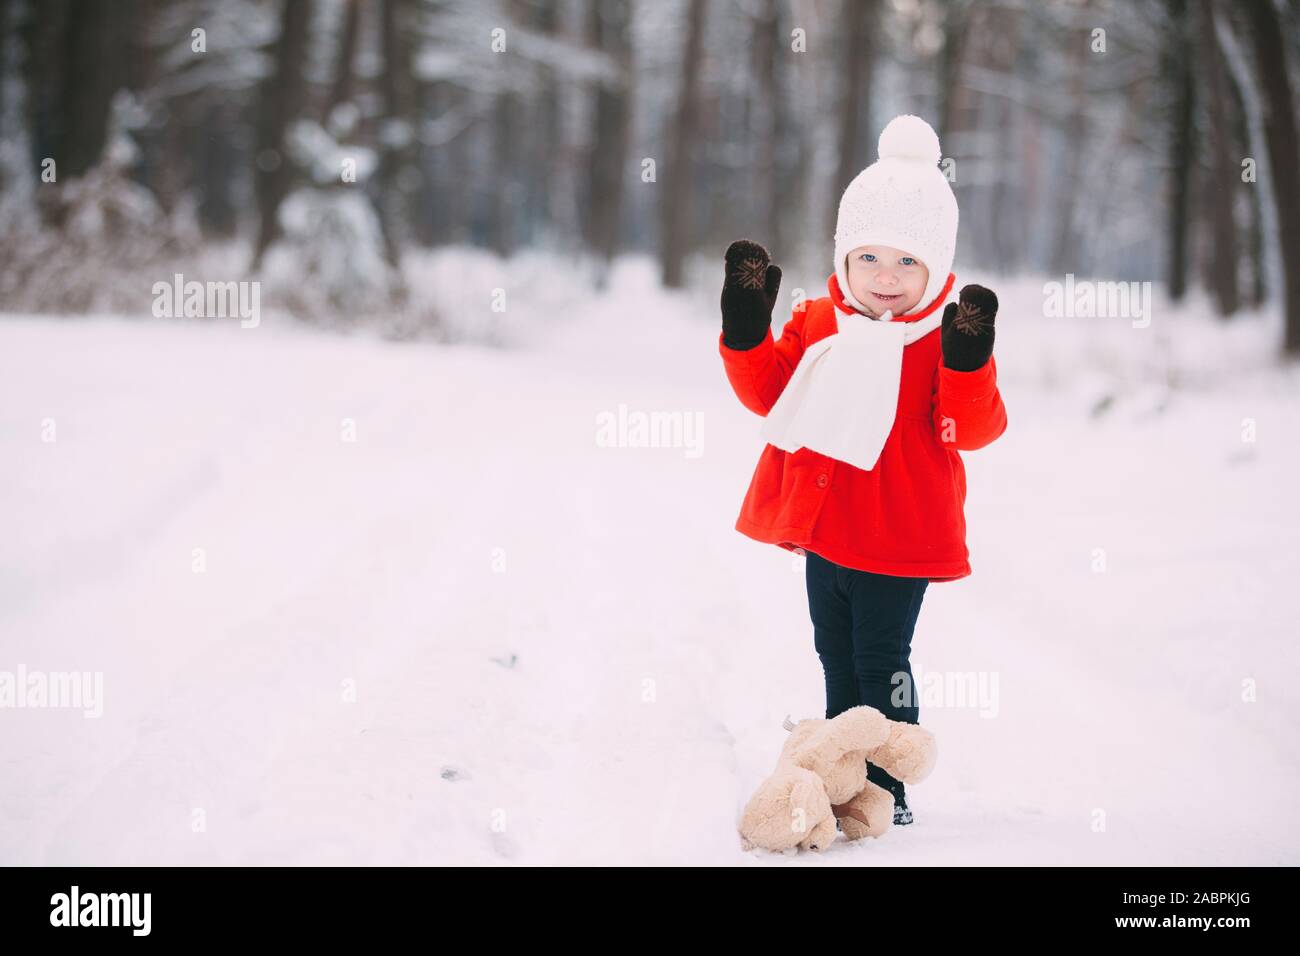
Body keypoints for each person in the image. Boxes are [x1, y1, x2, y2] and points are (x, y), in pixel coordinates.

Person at [717, 114, 1007, 826]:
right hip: (826, 532)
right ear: (844, 258)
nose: (886, 279)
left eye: (908, 263)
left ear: (936, 268)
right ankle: (845, 775)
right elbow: (770, 394)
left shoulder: (939, 338)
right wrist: (748, 332)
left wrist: (968, 365)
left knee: (884, 661)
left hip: (898, 538)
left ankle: (890, 781)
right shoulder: (818, 320)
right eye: (870, 258)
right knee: (833, 654)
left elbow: (968, 429)